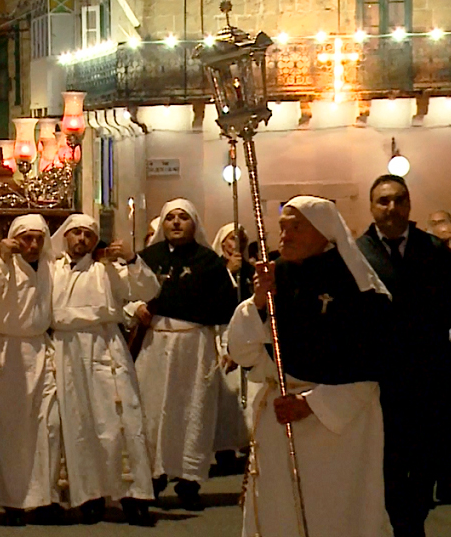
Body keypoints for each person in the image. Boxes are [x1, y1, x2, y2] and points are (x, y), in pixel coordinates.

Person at [228, 195, 392, 537]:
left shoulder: (357, 286)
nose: (284, 236)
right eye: (282, 228)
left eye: (296, 228)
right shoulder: (274, 278)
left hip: (339, 427)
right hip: (279, 414)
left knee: (335, 514)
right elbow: (242, 353)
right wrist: (258, 303)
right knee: (279, 513)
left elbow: (374, 362)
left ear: (325, 232)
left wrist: (311, 404)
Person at [49, 214, 161, 525]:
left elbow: (148, 289)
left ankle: (133, 495)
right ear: (66, 237)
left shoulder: (106, 270)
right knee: (78, 423)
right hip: (66, 350)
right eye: (76, 233)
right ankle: (89, 495)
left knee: (120, 422)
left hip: (104, 348)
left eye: (87, 234)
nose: (81, 239)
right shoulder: (51, 270)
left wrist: (131, 258)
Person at [356, 175, 451, 537]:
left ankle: (414, 517)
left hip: (429, 374)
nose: (391, 208)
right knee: (388, 463)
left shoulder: (433, 249)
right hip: (380, 378)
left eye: (399, 200)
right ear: (371, 207)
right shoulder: (357, 253)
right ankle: (403, 525)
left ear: (409, 204)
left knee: (426, 459)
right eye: (383, 201)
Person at [134, 198, 237, 509]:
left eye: (183, 218)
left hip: (195, 346)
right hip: (156, 346)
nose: (176, 223)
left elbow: (226, 310)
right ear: (162, 224)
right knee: (152, 409)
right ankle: (154, 474)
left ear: (194, 224)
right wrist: (136, 307)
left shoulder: (209, 262)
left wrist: (229, 346)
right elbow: (128, 294)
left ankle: (190, 479)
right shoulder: (147, 259)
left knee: (194, 409)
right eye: (170, 218)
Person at [0, 214, 59, 525]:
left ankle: (45, 496)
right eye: (25, 238)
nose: (32, 245)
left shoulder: (50, 267)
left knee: (47, 426)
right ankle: (13, 499)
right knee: (10, 430)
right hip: (7, 353)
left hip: (41, 350)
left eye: (38, 239)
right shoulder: (1, 265)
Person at [210, 223, 256, 469]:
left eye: (240, 239)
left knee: (250, 394)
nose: (235, 244)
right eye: (230, 239)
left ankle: (249, 443)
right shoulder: (213, 269)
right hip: (222, 332)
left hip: (248, 335)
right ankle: (224, 448)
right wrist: (228, 273)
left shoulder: (250, 270)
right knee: (227, 396)